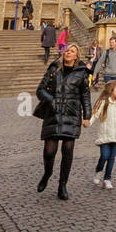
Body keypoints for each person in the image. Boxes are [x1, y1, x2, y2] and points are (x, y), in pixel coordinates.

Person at [36, 43, 91, 200]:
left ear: (76, 56)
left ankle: (62, 184)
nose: (68, 53)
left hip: (71, 114)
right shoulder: (54, 70)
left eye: (72, 51)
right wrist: (51, 100)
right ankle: (47, 174)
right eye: (67, 50)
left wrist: (87, 115)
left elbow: (85, 96)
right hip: (53, 114)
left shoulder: (81, 74)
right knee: (49, 151)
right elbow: (39, 90)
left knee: (67, 152)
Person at [88, 80, 116, 189]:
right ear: (111, 90)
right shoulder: (103, 101)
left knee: (112, 158)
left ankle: (107, 179)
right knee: (104, 156)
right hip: (105, 135)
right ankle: (98, 171)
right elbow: (95, 114)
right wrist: (88, 122)